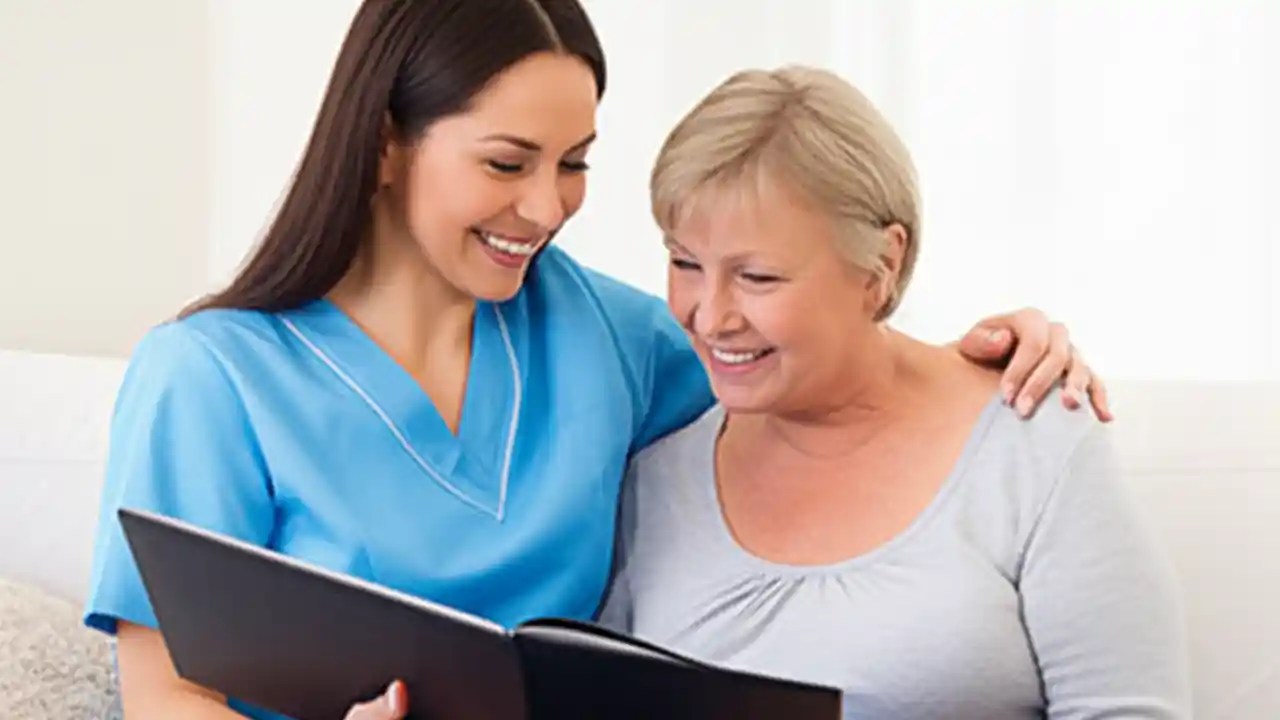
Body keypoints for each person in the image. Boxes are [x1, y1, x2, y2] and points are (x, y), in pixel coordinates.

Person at [82, 2, 1111, 719]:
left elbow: (802, 368)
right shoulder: (209, 378)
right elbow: (165, 696)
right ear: (386, 141)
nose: (545, 208)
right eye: (507, 162)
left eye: (573, 164)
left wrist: (983, 361)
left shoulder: (610, 338)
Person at [598, 65, 1191, 719]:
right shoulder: (654, 472)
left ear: (881, 265)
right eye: (685, 262)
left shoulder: (1032, 440)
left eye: (758, 277)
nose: (710, 317)